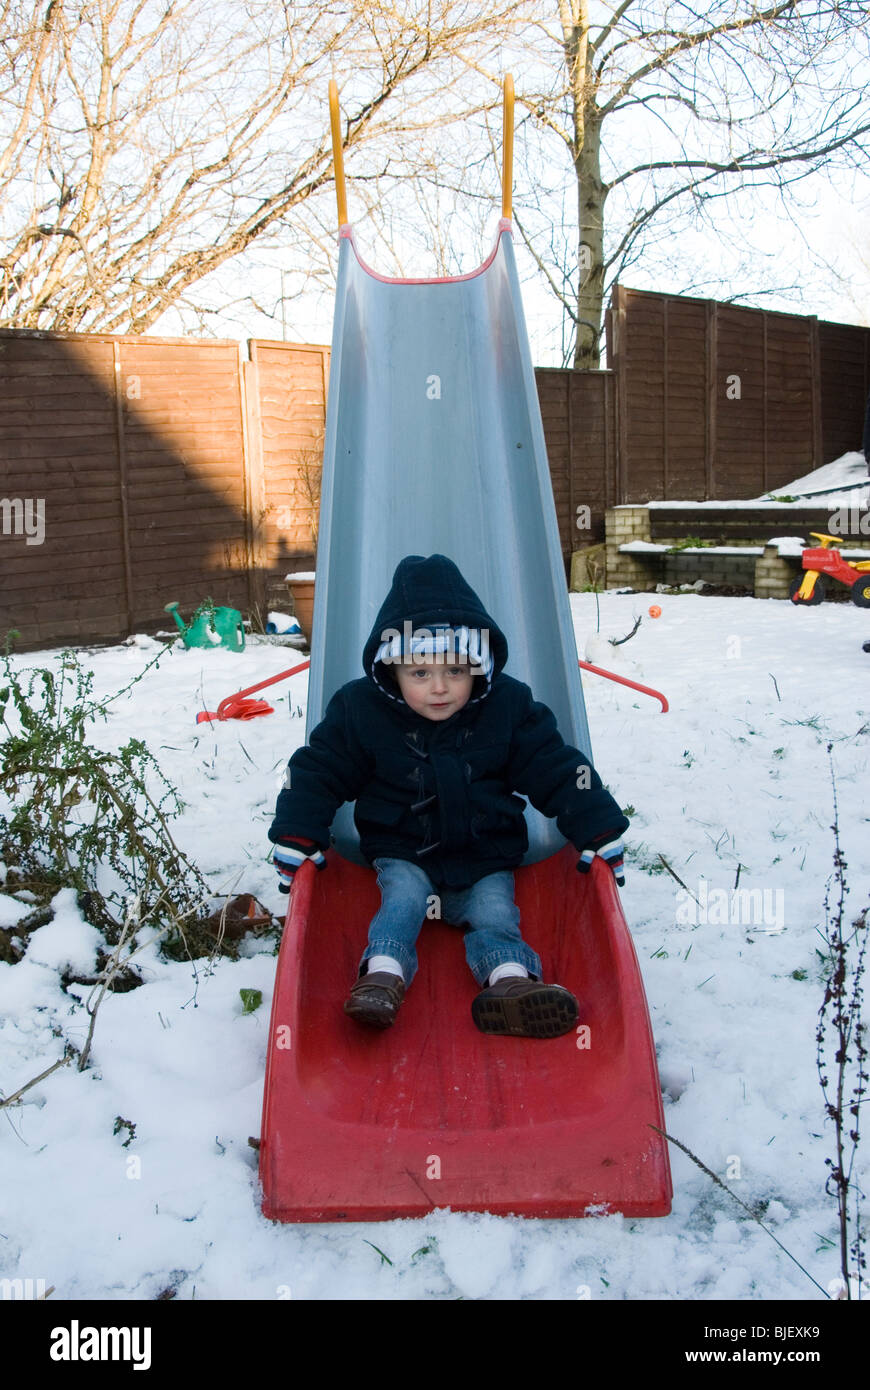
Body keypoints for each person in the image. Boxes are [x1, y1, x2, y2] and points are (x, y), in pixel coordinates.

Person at [268, 553, 629, 1039]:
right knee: (402, 899)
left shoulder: (507, 707)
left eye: (456, 671)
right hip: (403, 850)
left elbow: (556, 767)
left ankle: (511, 983)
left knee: (495, 913)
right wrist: (297, 831)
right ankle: (383, 976)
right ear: (391, 670)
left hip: (485, 855)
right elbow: (320, 768)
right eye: (419, 674)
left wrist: (598, 825)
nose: (439, 688)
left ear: (478, 667)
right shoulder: (362, 711)